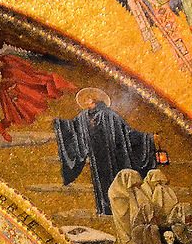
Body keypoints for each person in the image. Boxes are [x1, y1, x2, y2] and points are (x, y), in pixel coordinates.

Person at [53, 87, 159, 215]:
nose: (86, 101)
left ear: (95, 99)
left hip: (113, 154)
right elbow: (73, 129)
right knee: (101, 182)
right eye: (84, 99)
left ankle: (121, 209)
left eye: (88, 98)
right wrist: (60, 124)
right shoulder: (83, 116)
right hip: (97, 156)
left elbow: (127, 133)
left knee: (115, 181)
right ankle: (105, 209)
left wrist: (148, 138)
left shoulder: (109, 115)